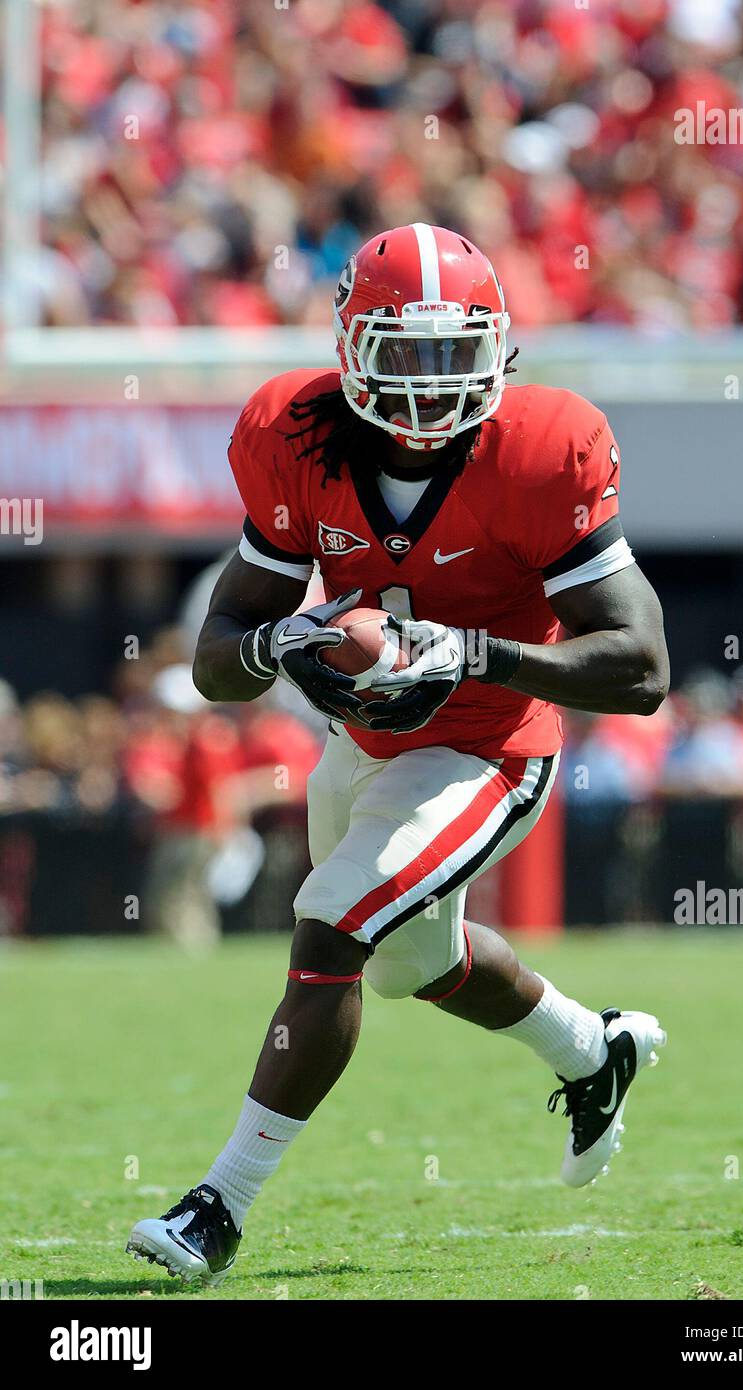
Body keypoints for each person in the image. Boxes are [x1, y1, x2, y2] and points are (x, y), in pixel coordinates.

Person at [127, 224, 669, 1284]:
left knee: (333, 920)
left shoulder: (541, 445)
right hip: (366, 740)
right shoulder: (294, 436)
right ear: (349, 342)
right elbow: (214, 663)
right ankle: (589, 1049)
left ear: (498, 346)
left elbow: (640, 667)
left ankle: (217, 1205)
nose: (430, 382)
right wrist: (283, 645)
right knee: (415, 962)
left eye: (451, 349)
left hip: (489, 749)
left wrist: (471, 652)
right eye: (404, 350)